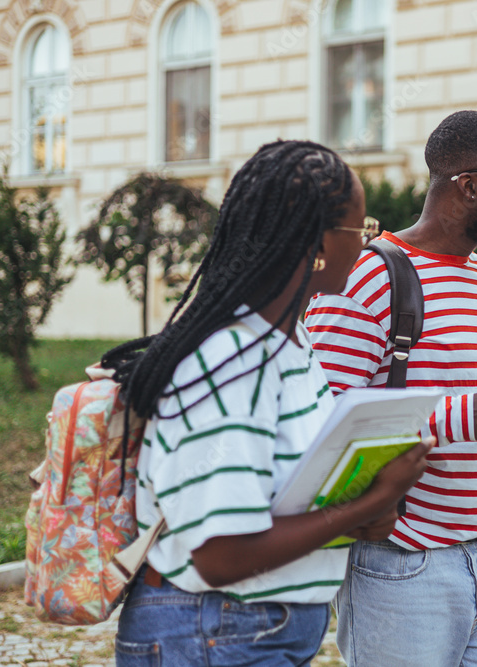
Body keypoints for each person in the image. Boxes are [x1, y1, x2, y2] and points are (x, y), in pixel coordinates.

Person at [102, 140, 431, 666]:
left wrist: (357, 517)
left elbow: (272, 499)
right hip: (211, 630)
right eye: (360, 231)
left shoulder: (290, 342)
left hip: (249, 629)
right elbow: (222, 552)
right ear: (317, 242)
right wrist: (366, 504)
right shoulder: (232, 358)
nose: (368, 247)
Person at [304, 110, 477, 666]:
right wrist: (466, 417)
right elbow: (319, 420)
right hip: (401, 565)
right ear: (469, 187)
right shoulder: (367, 276)